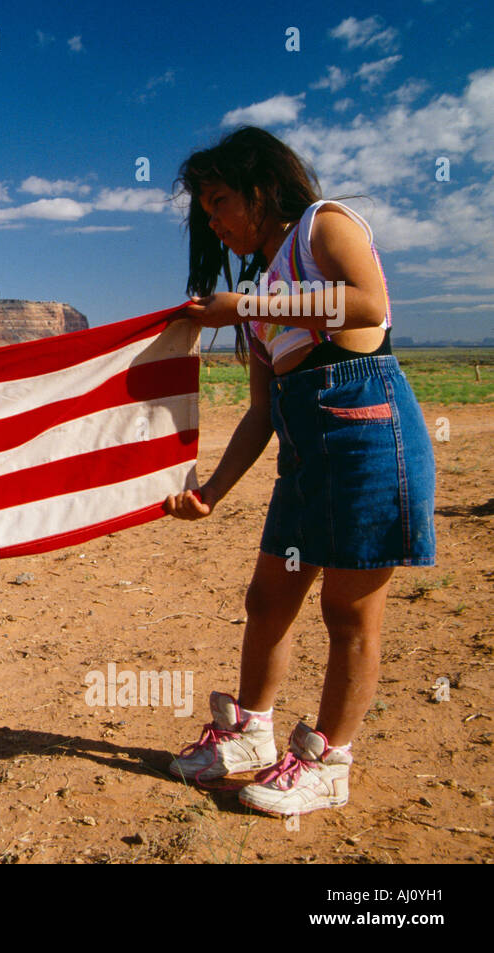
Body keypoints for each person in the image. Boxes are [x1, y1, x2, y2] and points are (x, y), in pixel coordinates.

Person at [161, 127, 436, 816]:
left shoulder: (324, 226)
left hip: (368, 442)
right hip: (304, 456)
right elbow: (259, 414)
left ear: (261, 188)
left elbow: (368, 303)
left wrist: (247, 308)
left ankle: (329, 763)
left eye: (221, 200)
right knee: (268, 600)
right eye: (206, 210)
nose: (215, 220)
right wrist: (212, 492)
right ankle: (252, 731)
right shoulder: (254, 286)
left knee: (346, 609)